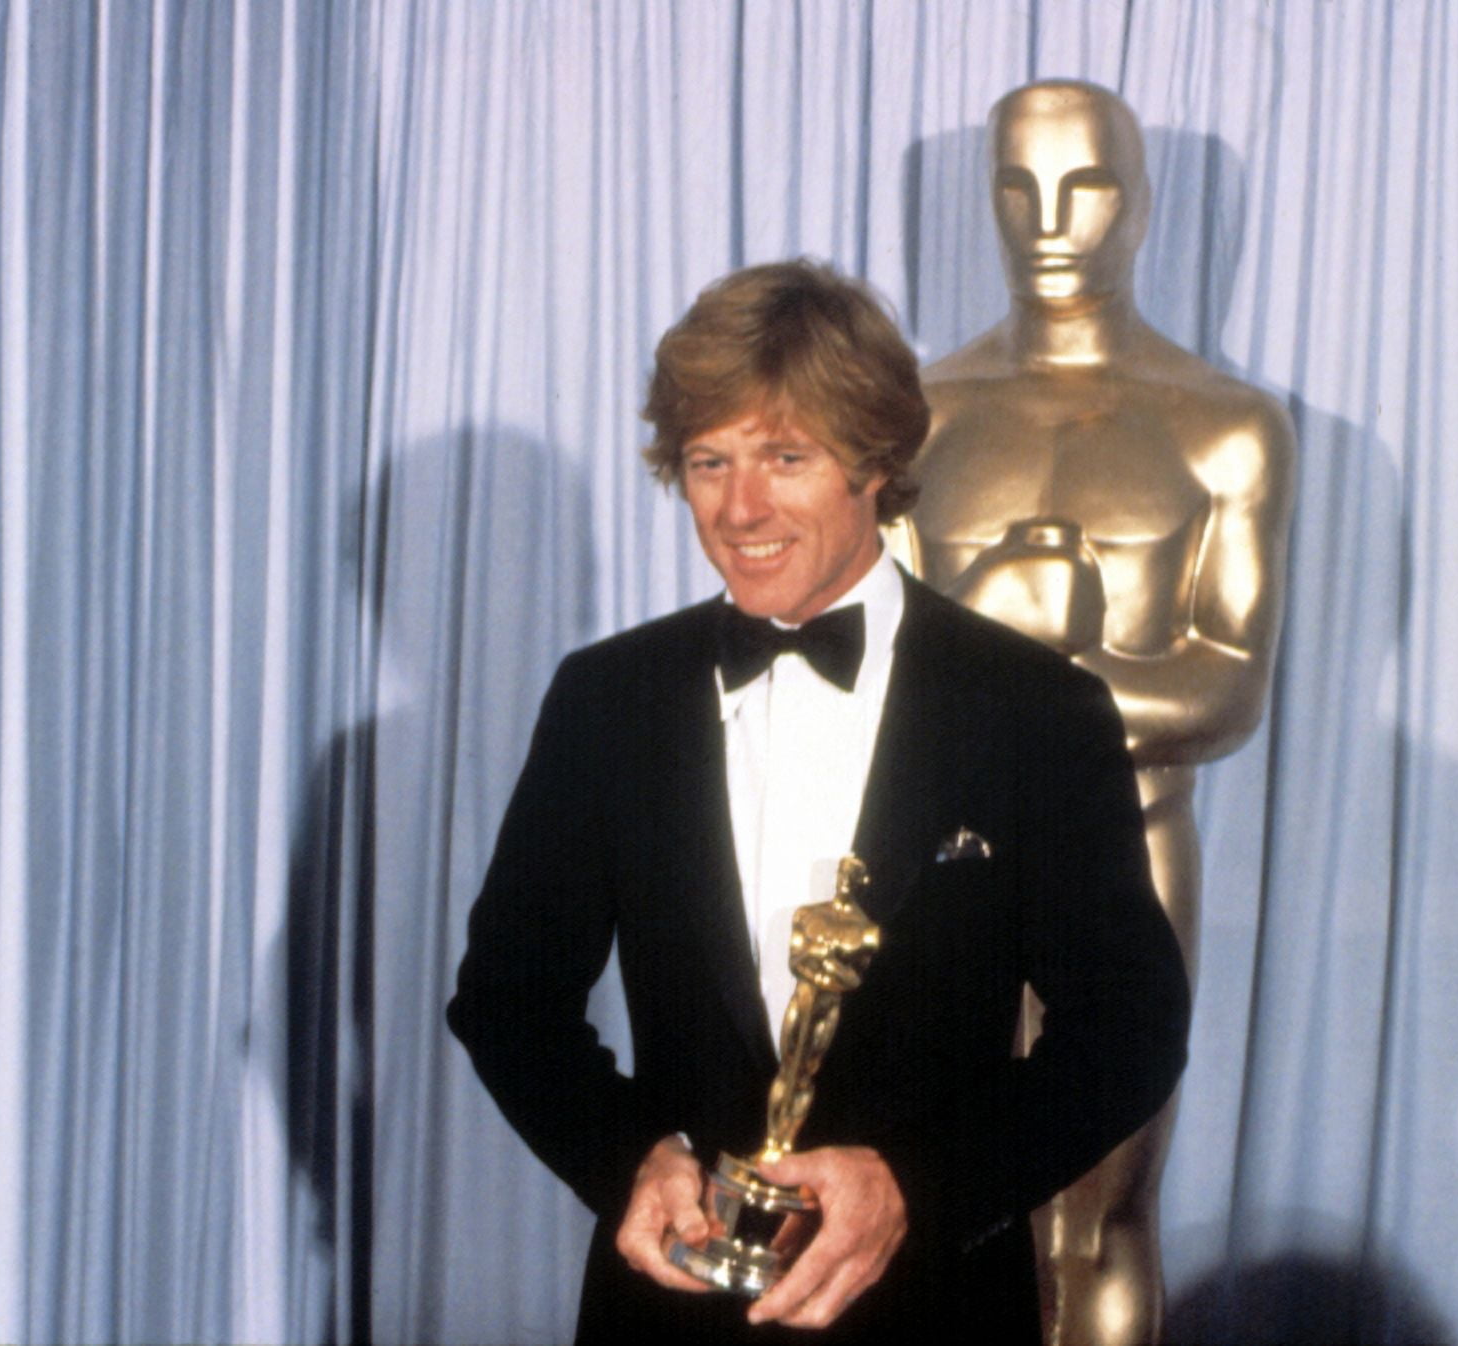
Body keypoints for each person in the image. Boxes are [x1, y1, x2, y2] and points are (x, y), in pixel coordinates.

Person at [448, 259, 1189, 1344]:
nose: (738, 507)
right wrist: (628, 1158)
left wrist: (913, 1187)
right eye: (709, 461)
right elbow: (507, 996)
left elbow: (1128, 1029)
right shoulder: (608, 697)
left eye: (783, 457)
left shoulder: (1033, 710)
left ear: (874, 461)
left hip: (929, 1309)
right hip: (667, 1317)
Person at [911, 81, 1295, 1346]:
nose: (1049, 221)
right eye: (1018, 187)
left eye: (1086, 185)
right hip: (942, 861)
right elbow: (887, 679)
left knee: (1100, 1212)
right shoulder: (918, 414)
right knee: (938, 1205)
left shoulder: (1224, 427)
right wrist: (1062, 666)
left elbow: (1227, 690)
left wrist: (1020, 657)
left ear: (1141, 200)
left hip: (1127, 854)